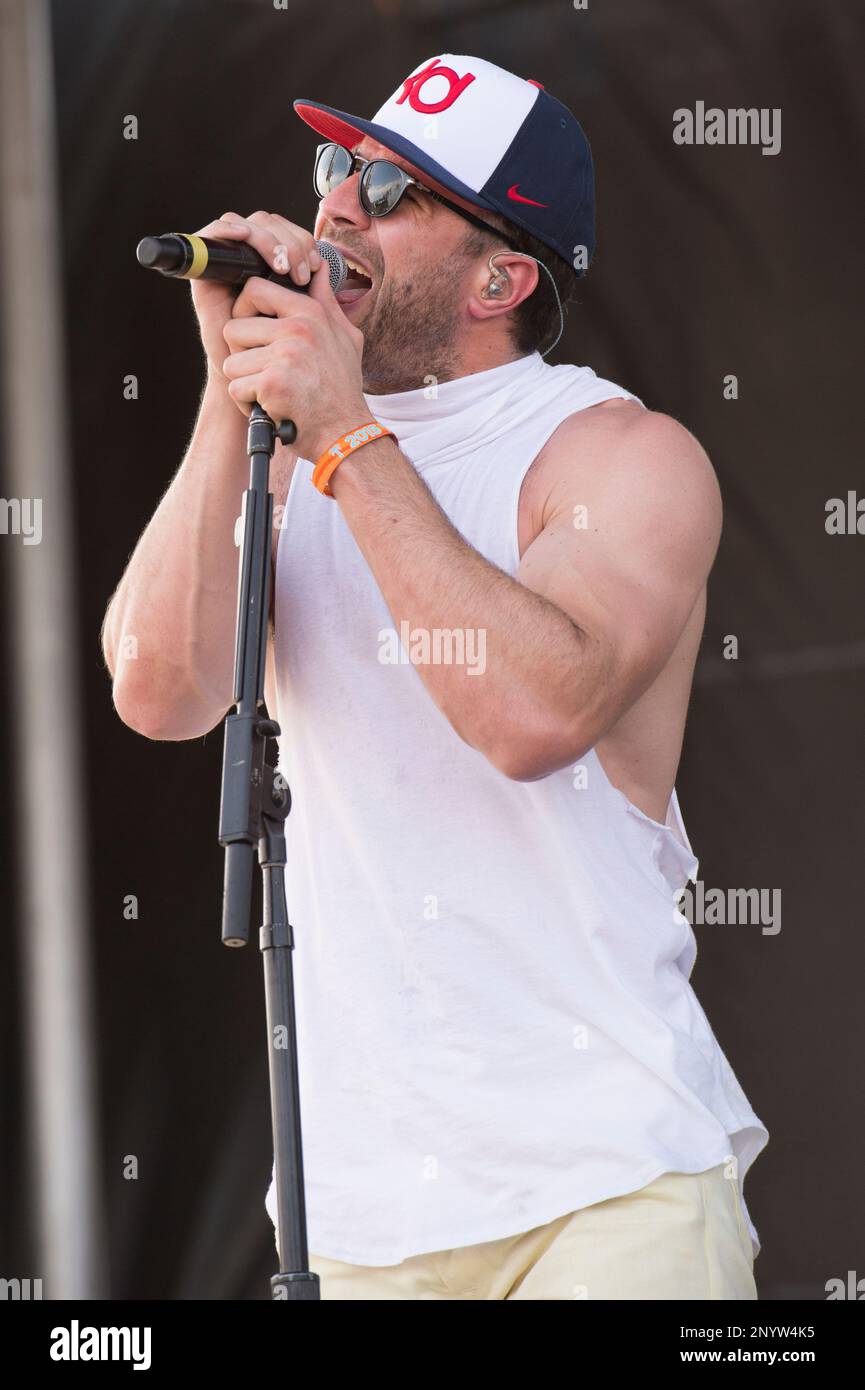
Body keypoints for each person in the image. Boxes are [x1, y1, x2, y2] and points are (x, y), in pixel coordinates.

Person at [102, 53, 768, 1300]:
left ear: (499, 277)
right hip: (357, 1209)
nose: (336, 208)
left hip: (605, 1185)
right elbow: (158, 691)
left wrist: (344, 430)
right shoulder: (284, 449)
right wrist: (223, 389)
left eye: (389, 188)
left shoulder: (614, 453)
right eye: (333, 171)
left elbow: (528, 716)